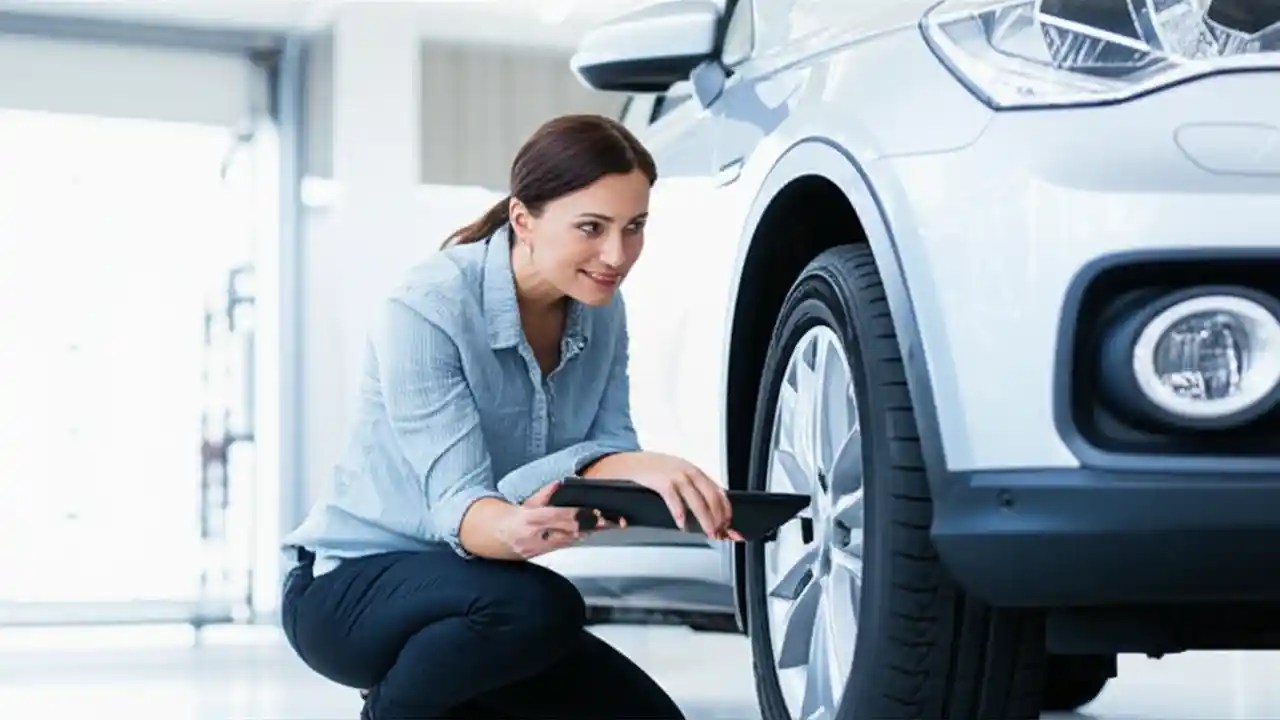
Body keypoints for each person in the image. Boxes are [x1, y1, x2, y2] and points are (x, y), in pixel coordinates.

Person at [279, 114, 744, 720]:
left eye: (635, 227)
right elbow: (463, 509)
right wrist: (572, 492)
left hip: (470, 599)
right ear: (523, 220)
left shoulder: (601, 309)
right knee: (540, 608)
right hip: (347, 590)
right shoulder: (428, 307)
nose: (617, 255)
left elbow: (609, 444)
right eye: (591, 228)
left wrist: (649, 492)